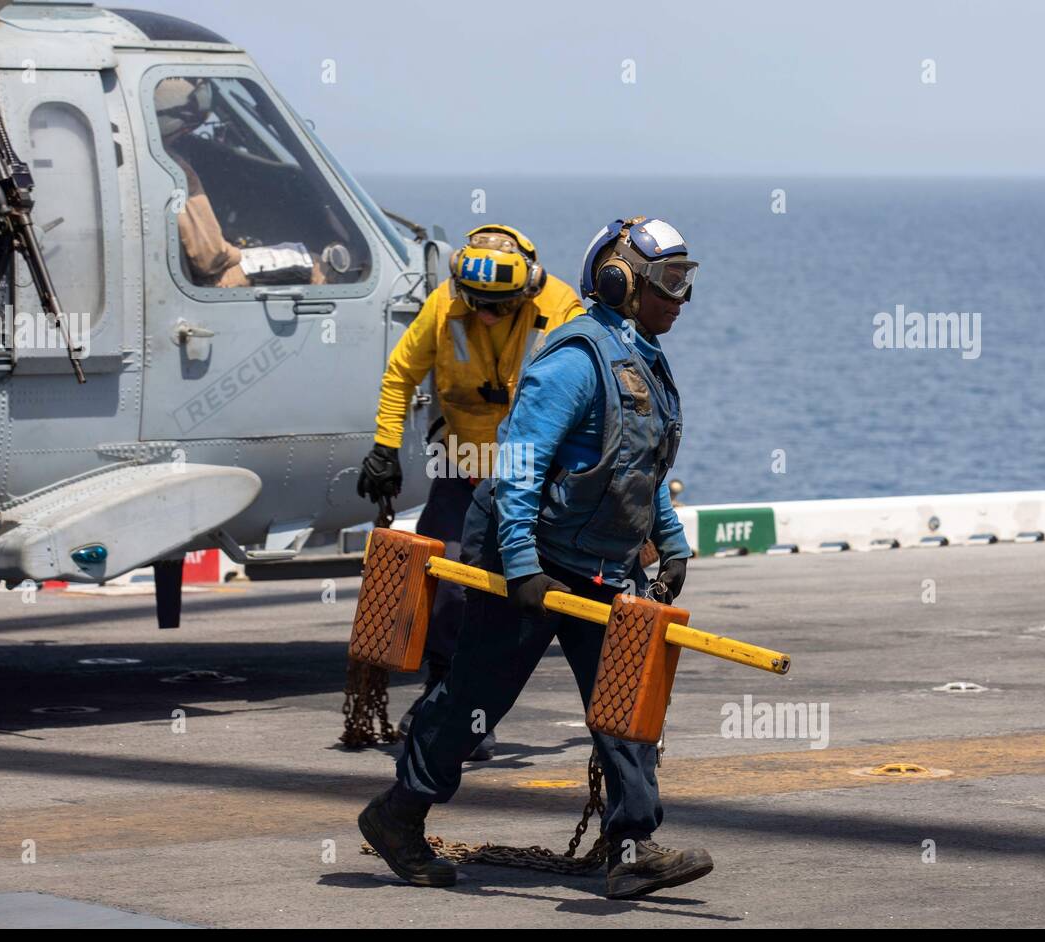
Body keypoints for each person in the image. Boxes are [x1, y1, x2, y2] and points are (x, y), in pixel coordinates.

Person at [359, 217, 710, 900]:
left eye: (685, 280)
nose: (681, 297)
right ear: (619, 283)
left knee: (624, 704)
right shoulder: (576, 360)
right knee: (476, 699)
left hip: (605, 566)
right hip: (537, 557)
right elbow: (519, 466)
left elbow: (636, 466)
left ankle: (631, 846)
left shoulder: (640, 357)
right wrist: (519, 564)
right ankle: (398, 815)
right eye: (670, 281)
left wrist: (670, 544)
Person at [356, 224, 583, 759]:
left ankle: (483, 707)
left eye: (497, 307)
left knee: (530, 597)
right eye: (476, 303)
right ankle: (442, 691)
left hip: (533, 472)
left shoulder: (563, 311)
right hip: (463, 464)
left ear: (526, 293)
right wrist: (385, 447)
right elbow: (400, 375)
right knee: (444, 580)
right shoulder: (444, 305)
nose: (484, 314)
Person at [154, 78, 324, 288]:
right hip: (203, 281)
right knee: (313, 263)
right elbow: (209, 260)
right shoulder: (172, 171)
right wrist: (238, 251)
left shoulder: (139, 156)